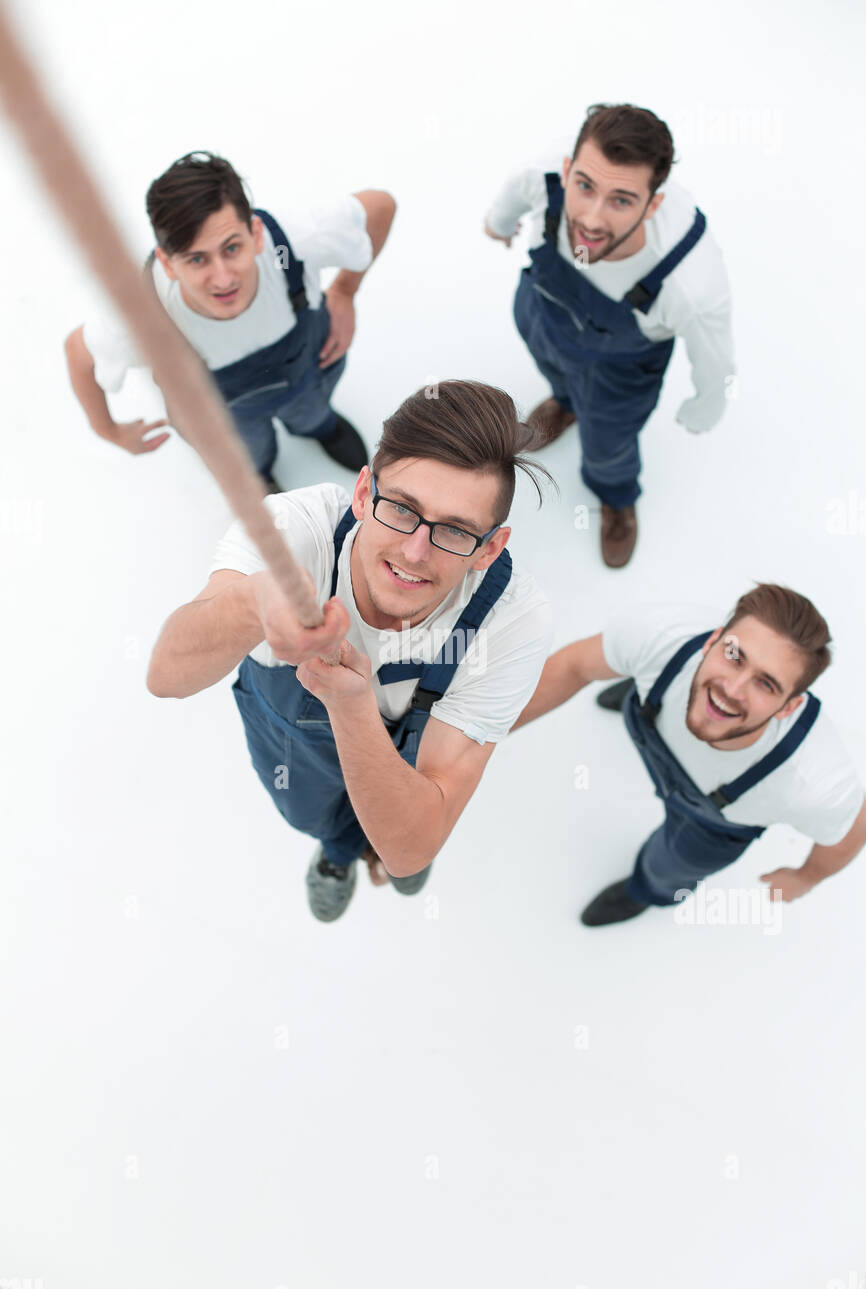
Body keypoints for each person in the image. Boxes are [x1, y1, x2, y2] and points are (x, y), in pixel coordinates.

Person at [146, 381, 554, 921]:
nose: (415, 551)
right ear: (363, 494)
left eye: (454, 531)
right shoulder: (294, 531)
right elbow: (165, 676)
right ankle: (337, 856)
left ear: (489, 548)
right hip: (295, 755)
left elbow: (410, 850)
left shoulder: (511, 620)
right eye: (401, 509)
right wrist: (253, 604)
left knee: (405, 837)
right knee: (319, 815)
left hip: (413, 759)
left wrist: (352, 707)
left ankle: (374, 833)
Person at [512, 584, 866, 925]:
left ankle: (645, 891)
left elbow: (851, 827)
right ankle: (642, 689)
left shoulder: (813, 783)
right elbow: (575, 666)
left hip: (714, 826)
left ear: (788, 708)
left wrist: (807, 876)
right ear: (711, 641)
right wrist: (479, 732)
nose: (732, 689)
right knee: (649, 679)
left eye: (766, 684)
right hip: (656, 727)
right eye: (733, 656)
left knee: (670, 869)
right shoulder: (660, 635)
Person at [485, 103, 734, 567]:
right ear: (567, 171)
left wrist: (703, 408)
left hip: (619, 372)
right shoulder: (541, 178)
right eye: (584, 187)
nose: (593, 219)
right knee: (555, 372)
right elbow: (509, 200)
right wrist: (498, 225)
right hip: (543, 318)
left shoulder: (689, 281)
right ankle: (564, 401)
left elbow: (716, 362)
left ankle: (615, 497)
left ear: (653, 203)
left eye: (621, 200)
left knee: (608, 447)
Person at [65, 151, 396, 487]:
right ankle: (260, 475)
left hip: (307, 379)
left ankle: (320, 428)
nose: (223, 279)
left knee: (312, 415)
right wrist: (109, 431)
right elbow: (78, 350)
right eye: (197, 259)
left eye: (231, 248)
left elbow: (380, 207)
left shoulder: (292, 241)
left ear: (255, 233)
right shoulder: (144, 315)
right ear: (167, 264)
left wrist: (344, 292)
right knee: (248, 458)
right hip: (222, 418)